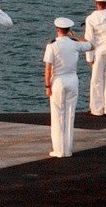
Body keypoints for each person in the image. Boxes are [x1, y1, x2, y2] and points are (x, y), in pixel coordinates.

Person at [44, 17, 93, 157]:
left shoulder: (52, 46)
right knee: (70, 115)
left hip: (58, 81)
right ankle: (67, 150)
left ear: (57, 29)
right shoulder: (75, 44)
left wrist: (47, 85)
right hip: (72, 80)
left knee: (57, 115)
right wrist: (75, 36)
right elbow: (91, 45)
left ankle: (58, 150)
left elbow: (48, 67)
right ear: (68, 30)